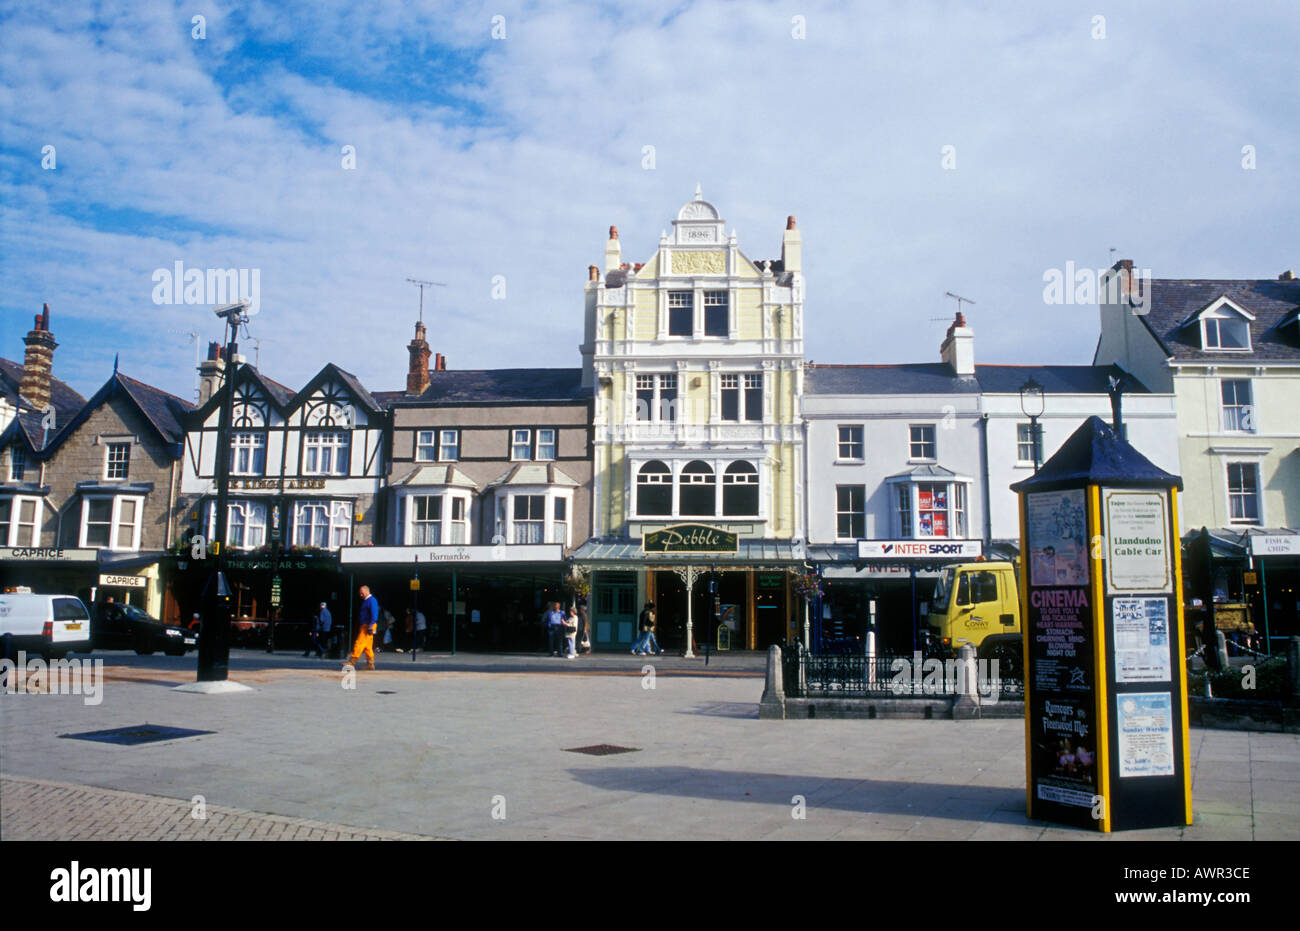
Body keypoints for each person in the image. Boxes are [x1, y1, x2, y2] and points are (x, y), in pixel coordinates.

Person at [345, 585, 380, 670]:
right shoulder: (367, 600)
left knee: (359, 643)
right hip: (367, 625)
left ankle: (352, 661)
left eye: (362, 593)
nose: (360, 595)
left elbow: (374, 614)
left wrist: (371, 626)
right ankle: (370, 664)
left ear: (367, 591)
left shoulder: (371, 600)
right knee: (367, 646)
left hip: (367, 625)